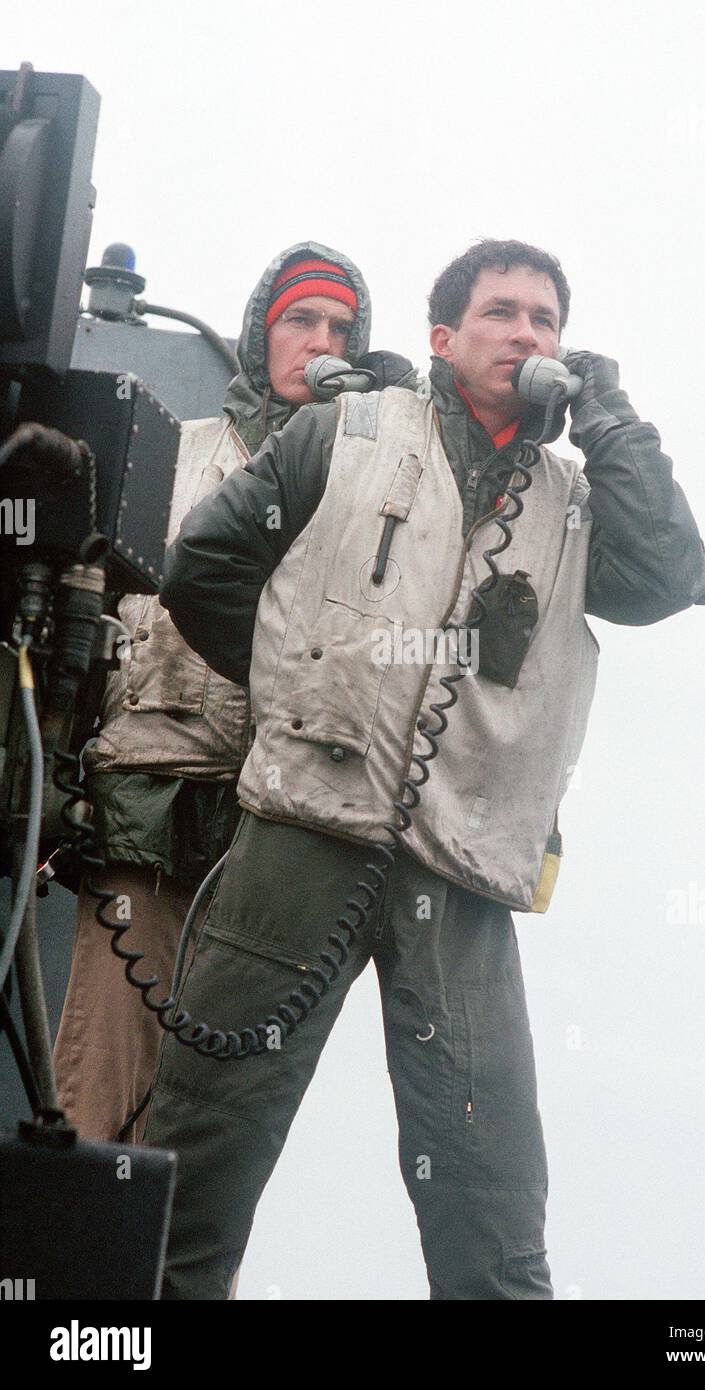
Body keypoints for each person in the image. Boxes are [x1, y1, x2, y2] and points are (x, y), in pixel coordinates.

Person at [144, 239, 705, 1300]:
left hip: (459, 874)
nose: (526, 333)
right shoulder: (344, 431)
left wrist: (608, 414)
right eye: (501, 311)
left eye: (545, 320)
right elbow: (206, 567)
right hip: (298, 836)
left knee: (489, 1207)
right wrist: (296, 694)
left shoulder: (579, 502)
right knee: (195, 1164)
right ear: (441, 337)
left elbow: (673, 574)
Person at [53, 241, 379, 1146]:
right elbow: (89, 615)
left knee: (204, 1148)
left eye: (341, 327)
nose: (320, 342)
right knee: (96, 1108)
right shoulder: (170, 453)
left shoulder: (376, 493)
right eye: (300, 320)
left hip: (273, 844)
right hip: (146, 816)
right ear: (258, 332)